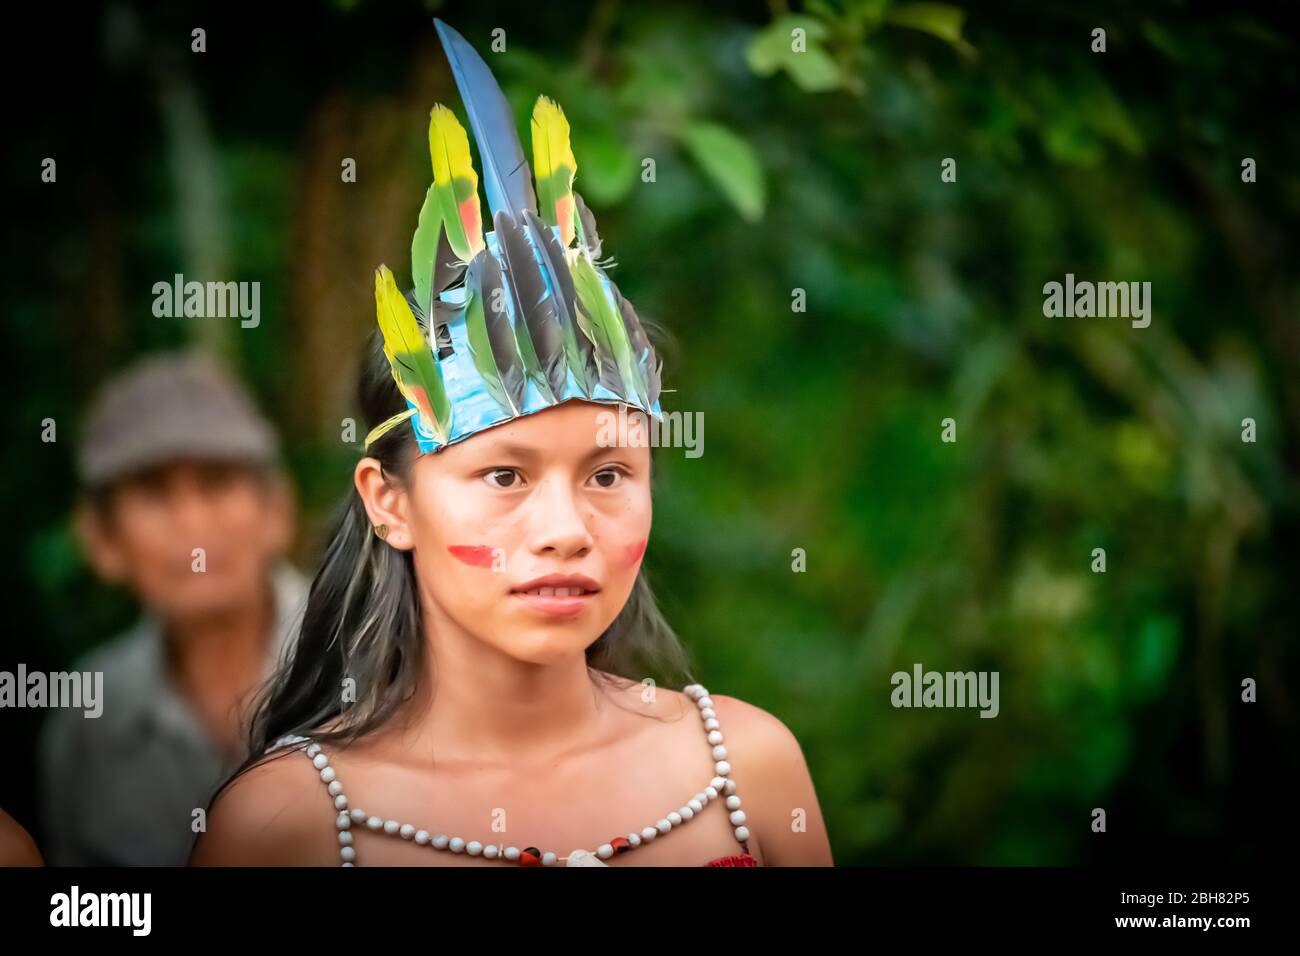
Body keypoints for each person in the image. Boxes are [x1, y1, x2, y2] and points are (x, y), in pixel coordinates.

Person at [191, 19, 831, 868]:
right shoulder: (285, 827)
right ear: (391, 501)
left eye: (608, 472)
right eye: (503, 474)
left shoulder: (748, 775)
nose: (566, 528)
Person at [39, 351, 308, 866]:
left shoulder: (378, 659)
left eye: (217, 483)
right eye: (154, 493)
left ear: (276, 511)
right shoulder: (87, 720)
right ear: (101, 539)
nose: (192, 522)